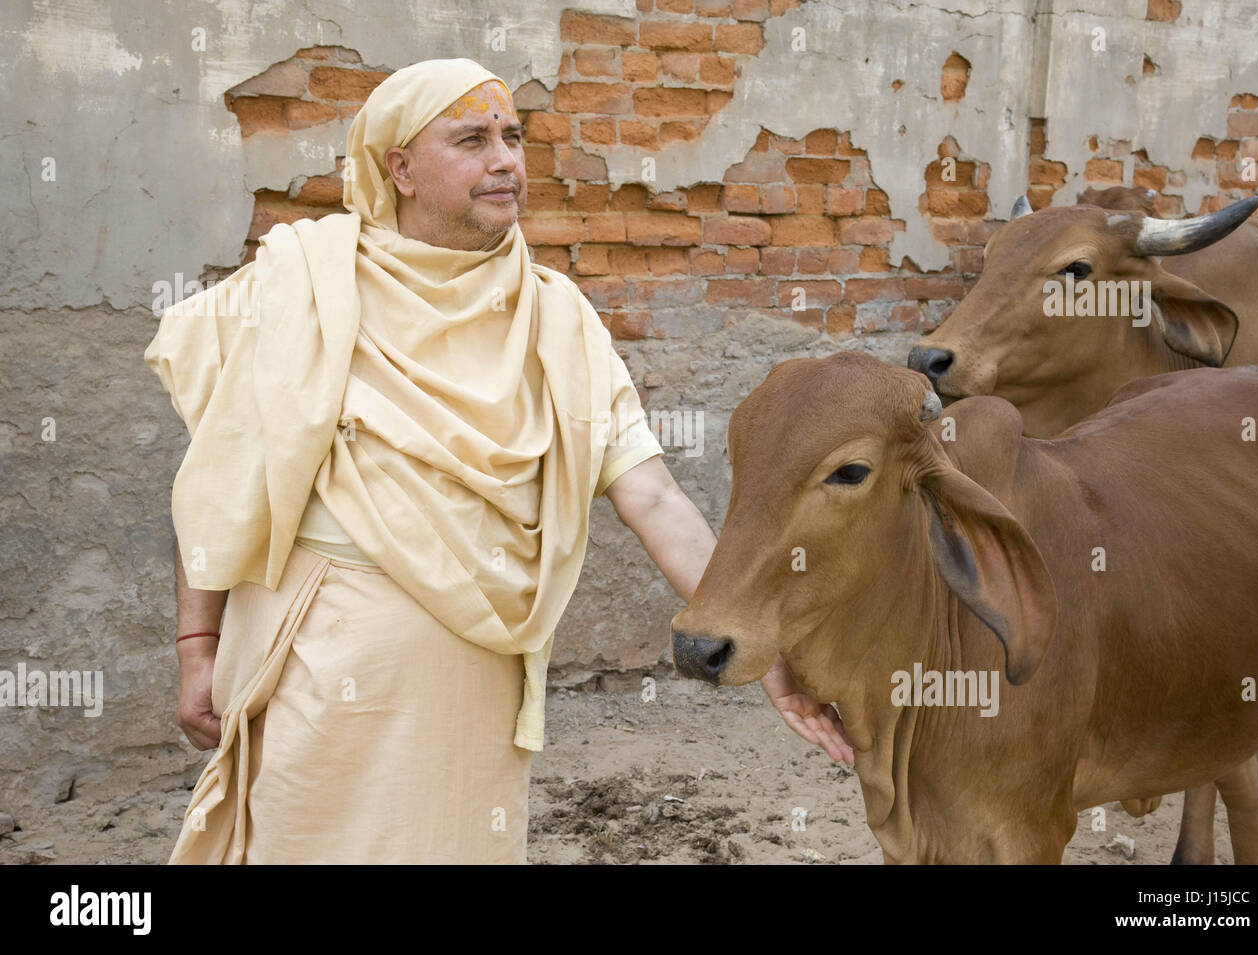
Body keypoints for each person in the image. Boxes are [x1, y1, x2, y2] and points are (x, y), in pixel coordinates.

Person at [145, 57, 854, 864]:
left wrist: (757, 644)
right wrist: (195, 646)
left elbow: (653, 497)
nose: (506, 160)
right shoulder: (300, 282)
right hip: (309, 670)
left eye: (513, 137)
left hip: (469, 688)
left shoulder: (556, 318)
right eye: (473, 139)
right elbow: (219, 479)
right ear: (400, 168)